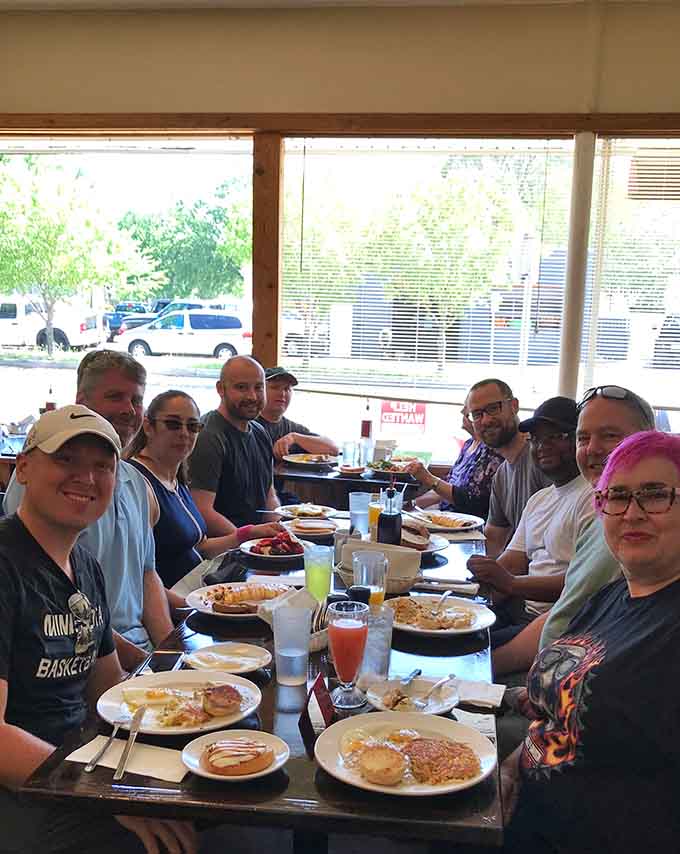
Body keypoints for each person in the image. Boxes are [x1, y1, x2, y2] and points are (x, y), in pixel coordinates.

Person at [0, 406, 195, 854]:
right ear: (24, 468)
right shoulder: (6, 565)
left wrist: (189, 712)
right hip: (25, 784)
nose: (86, 478)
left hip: (80, 756)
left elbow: (109, 688)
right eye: (66, 459)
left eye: (102, 465)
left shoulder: (84, 564)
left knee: (211, 790)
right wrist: (101, 792)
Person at [500, 430, 680, 854]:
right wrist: (512, 766)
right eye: (615, 496)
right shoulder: (612, 595)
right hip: (518, 811)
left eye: (655, 495)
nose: (631, 513)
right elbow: (557, 719)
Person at [3, 351, 174, 668]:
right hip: (71, 657)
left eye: (136, 400)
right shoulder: (39, 489)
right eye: (115, 397)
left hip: (125, 656)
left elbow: (147, 575)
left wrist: (170, 654)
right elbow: (56, 610)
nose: (128, 410)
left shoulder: (136, 483)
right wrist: (147, 665)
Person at [493, 384, 656, 677]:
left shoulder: (643, 526)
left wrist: (489, 668)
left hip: (576, 686)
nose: (593, 448)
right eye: (584, 437)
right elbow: (566, 613)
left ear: (648, 442)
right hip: (551, 673)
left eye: (610, 435)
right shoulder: (602, 513)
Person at [467, 397, 594, 650]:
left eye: (554, 437)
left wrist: (509, 583)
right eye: (535, 439)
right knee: (446, 631)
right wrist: (482, 578)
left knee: (468, 651)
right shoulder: (540, 499)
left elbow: (581, 585)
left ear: (578, 440)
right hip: (519, 610)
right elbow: (513, 560)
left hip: (557, 626)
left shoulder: (591, 497)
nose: (541, 446)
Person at [126, 390, 283, 587]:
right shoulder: (138, 484)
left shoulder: (176, 479)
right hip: (178, 603)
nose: (184, 433)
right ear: (148, 426)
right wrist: (192, 606)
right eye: (173, 424)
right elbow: (137, 578)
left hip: (200, 586)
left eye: (193, 427)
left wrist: (247, 534)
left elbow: (200, 547)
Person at [189, 355, 280, 532]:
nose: (252, 396)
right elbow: (202, 510)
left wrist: (279, 531)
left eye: (258, 387)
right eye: (241, 387)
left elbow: (269, 495)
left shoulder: (260, 432)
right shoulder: (208, 436)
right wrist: (248, 540)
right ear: (220, 389)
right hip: (222, 549)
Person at [466, 379, 550, 556]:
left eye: (493, 408)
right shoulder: (502, 476)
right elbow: (493, 540)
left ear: (514, 405)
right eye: (477, 414)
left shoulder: (543, 459)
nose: (486, 420)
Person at [405, 403, 502, 519]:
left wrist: (428, 478)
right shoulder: (469, 444)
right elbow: (444, 488)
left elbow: (474, 502)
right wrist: (412, 505)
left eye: (467, 412)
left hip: (464, 520)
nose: (462, 413)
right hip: (444, 513)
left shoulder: (491, 452)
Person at [257, 367, 339, 460]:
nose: (282, 394)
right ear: (260, 391)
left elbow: (333, 450)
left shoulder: (292, 429)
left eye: (287, 389)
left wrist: (295, 438)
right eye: (275, 387)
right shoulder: (249, 425)